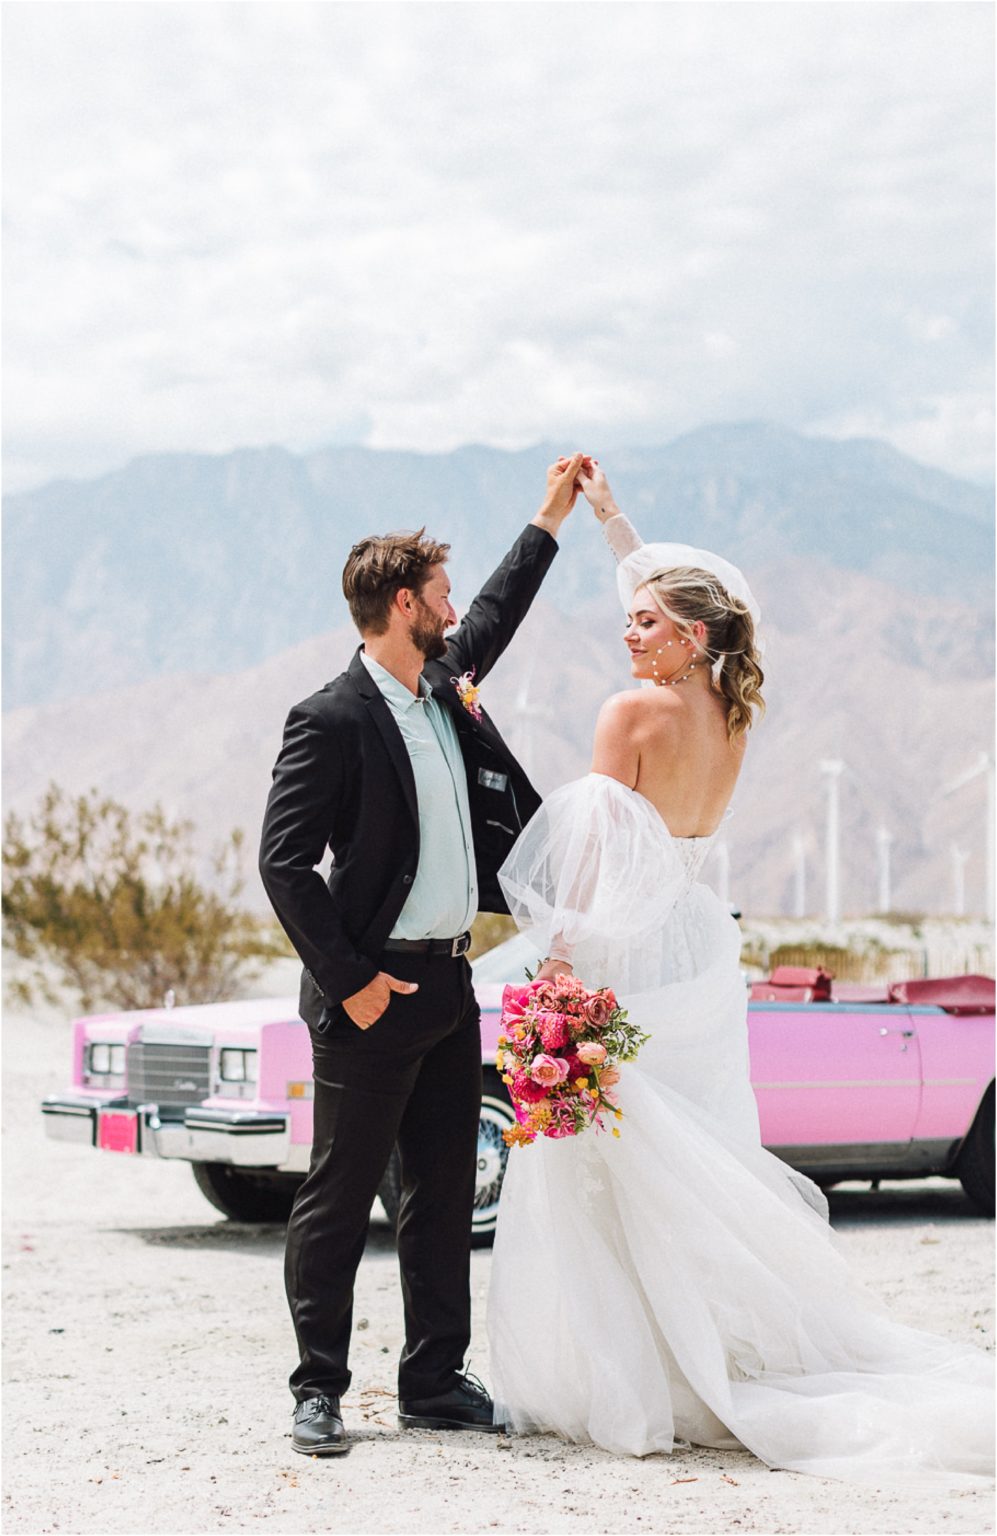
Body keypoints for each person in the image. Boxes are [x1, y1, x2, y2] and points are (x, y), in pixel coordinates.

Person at [486, 460, 994, 1487]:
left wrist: (561, 978)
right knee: (691, 1146)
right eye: (630, 621)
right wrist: (617, 524)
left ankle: (640, 1375)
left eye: (646, 624)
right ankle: (697, 1345)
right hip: (697, 948)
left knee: (615, 1163)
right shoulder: (732, 714)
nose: (627, 632)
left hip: (623, 948)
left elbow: (588, 857)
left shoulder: (628, 716)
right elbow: (682, 608)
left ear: (693, 638)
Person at [259, 454, 586, 1455]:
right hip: (375, 991)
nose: (452, 609)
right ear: (404, 605)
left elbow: (495, 609)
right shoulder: (331, 718)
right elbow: (283, 862)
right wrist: (351, 982)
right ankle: (317, 1387)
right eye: (437, 594)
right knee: (340, 1195)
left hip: (450, 979)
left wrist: (551, 517)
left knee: (443, 1190)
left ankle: (433, 1380)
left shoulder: (445, 686)